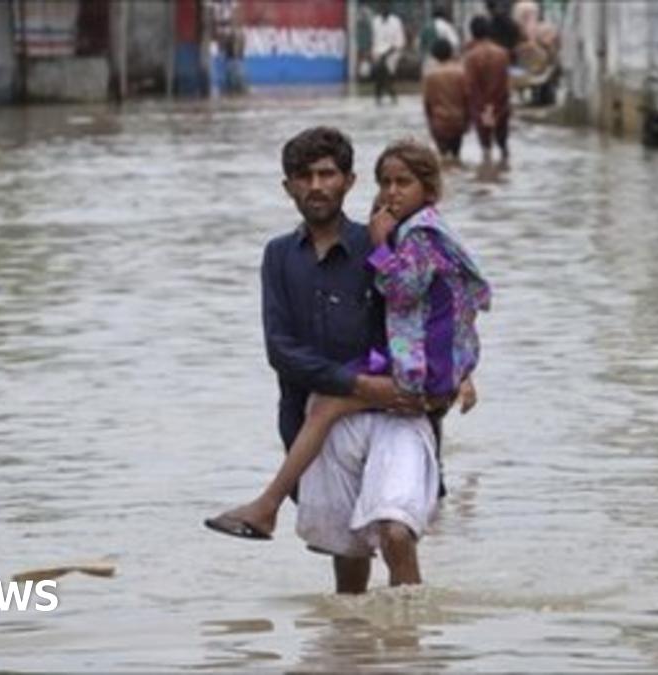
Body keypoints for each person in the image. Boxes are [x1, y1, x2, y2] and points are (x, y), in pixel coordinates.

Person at [206, 135, 490, 590]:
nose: (316, 185)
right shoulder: (279, 256)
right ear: (288, 187)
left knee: (396, 531)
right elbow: (281, 350)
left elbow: (434, 308)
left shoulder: (383, 242)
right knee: (346, 550)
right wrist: (359, 386)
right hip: (325, 418)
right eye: (304, 177)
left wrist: (461, 373)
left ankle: (409, 630)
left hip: (399, 412)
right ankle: (351, 633)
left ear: (350, 182)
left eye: (327, 174)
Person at [463, 16, 512, 168]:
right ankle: (504, 168)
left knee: (486, 148)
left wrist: (476, 110)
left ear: (472, 33)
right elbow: (506, 82)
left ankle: (487, 172)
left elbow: (470, 86)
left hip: (481, 106)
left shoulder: (471, 57)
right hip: (500, 104)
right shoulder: (502, 53)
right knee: (503, 144)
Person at [422, 39, 469, 165]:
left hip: (439, 122)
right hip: (458, 121)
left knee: (443, 158)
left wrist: (430, 124)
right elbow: (467, 99)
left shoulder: (430, 75)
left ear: (434, 55)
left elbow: (427, 103)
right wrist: (468, 121)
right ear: (451, 52)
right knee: (456, 155)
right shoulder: (461, 72)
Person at [369, 1, 405, 104]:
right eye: (381, 6)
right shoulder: (375, 21)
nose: (383, 9)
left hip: (392, 53)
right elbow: (374, 39)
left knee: (384, 74)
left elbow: (400, 41)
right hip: (378, 53)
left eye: (385, 6)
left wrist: (388, 52)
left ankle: (384, 94)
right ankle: (386, 95)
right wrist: (374, 53)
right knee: (381, 73)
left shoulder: (396, 22)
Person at [419, 7, 461, 76]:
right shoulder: (447, 26)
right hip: (444, 60)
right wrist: (455, 56)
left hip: (428, 59)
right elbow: (454, 43)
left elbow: (420, 44)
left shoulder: (426, 27)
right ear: (444, 16)